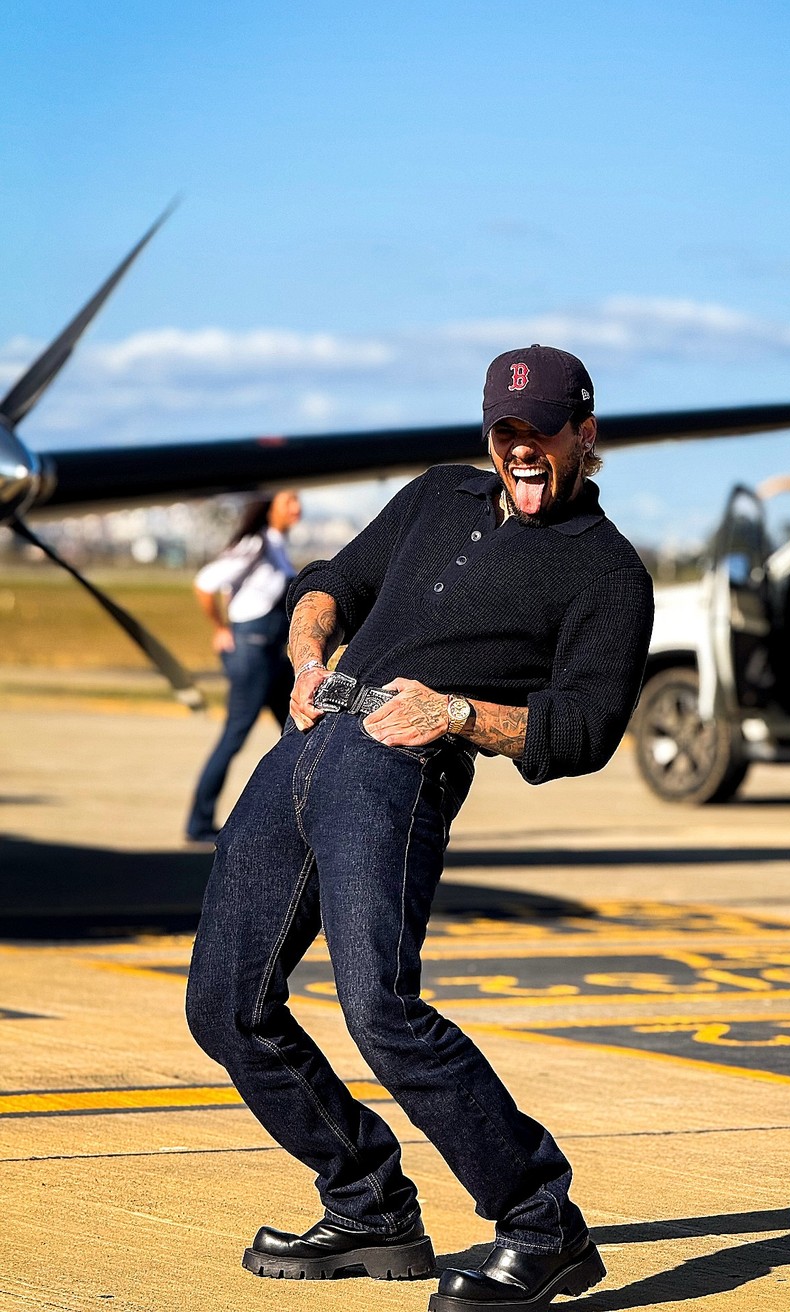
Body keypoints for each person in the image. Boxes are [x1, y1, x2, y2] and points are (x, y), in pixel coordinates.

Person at [185, 346, 655, 1311]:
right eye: (505, 431)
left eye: (542, 432)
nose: (521, 449)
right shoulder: (438, 495)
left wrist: (456, 715)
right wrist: (308, 656)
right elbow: (332, 580)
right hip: (303, 747)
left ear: (585, 435)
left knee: (382, 1012)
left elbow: (585, 728)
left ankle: (542, 1224)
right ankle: (369, 1205)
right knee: (225, 1008)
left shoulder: (607, 573)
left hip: (398, 773)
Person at [185, 489, 302, 843]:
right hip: (251, 652)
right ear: (269, 506)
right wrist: (221, 628)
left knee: (301, 730)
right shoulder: (255, 544)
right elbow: (205, 583)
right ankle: (199, 823)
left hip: (273, 654)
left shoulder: (276, 544)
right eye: (289, 500)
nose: (297, 507)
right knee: (235, 736)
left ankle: (304, 822)